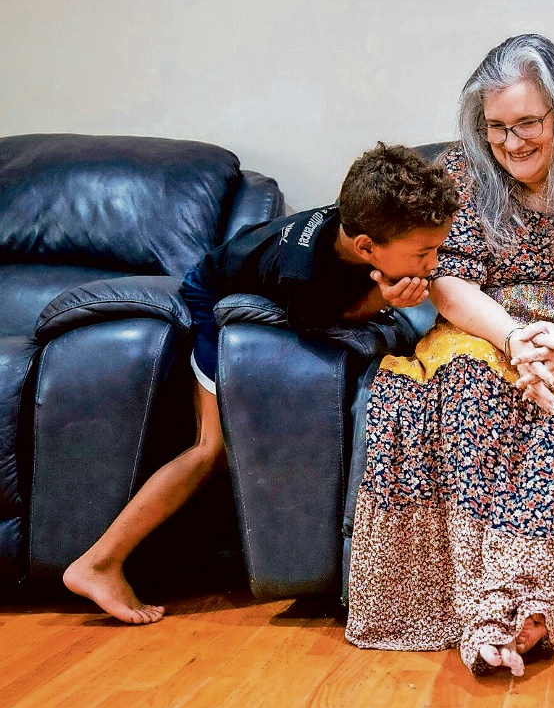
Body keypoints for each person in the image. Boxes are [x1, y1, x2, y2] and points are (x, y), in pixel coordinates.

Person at [345, 34, 554, 676]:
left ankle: (526, 604)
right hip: (487, 324)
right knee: (463, 383)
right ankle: (480, 609)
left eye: (527, 124)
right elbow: (451, 283)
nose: (512, 143)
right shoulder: (461, 175)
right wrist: (515, 341)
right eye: (496, 128)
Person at [63, 143, 460, 624]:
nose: (436, 261)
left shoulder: (359, 221)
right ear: (366, 248)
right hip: (209, 295)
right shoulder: (302, 276)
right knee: (210, 448)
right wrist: (385, 298)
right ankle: (98, 563)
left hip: (266, 264)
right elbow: (339, 314)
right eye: (426, 252)